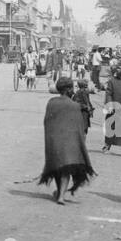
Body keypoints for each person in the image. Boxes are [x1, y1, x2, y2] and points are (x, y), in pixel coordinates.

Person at [37, 76, 96, 204]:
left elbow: (47, 122)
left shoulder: (51, 102)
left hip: (54, 142)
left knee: (58, 169)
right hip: (69, 144)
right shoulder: (74, 106)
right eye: (72, 88)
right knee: (66, 170)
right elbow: (80, 128)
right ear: (68, 89)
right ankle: (61, 196)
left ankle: (59, 193)